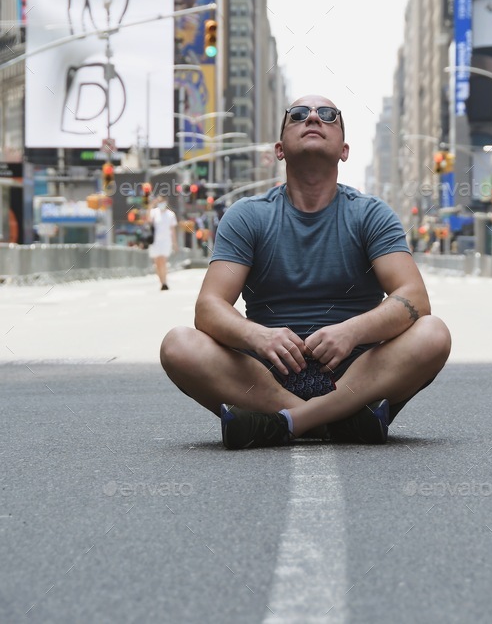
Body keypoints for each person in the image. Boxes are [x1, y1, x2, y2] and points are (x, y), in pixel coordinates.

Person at [160, 95, 451, 449]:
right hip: (265, 375)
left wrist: (351, 331)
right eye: (298, 115)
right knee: (178, 345)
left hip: (355, 374)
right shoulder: (247, 215)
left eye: (328, 115)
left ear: (344, 150)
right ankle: (340, 421)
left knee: (433, 333)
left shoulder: (371, 214)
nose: (313, 117)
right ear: (280, 149)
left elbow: (415, 299)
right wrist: (258, 337)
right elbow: (208, 307)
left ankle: (285, 424)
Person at [149, 197, 178, 291]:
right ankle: (161, 281)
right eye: (159, 201)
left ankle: (165, 282)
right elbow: (148, 220)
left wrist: (175, 243)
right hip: (155, 241)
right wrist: (151, 205)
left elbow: (173, 230)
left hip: (166, 241)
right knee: (157, 262)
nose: (161, 203)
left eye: (162, 202)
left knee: (163, 260)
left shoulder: (171, 214)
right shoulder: (154, 212)